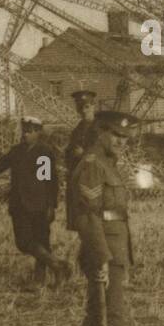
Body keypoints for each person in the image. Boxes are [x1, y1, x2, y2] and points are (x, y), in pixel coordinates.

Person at [68, 109, 138, 326]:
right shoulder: (93, 165)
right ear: (102, 132)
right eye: (117, 135)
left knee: (104, 316)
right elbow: (87, 217)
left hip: (116, 248)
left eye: (126, 138)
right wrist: (102, 258)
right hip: (105, 252)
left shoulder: (109, 164)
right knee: (109, 318)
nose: (123, 142)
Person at [0, 116, 68, 285]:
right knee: (23, 243)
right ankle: (57, 264)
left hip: (39, 206)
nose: (25, 134)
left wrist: (50, 206)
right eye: (24, 130)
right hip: (19, 205)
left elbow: (49, 181)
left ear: (38, 133)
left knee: (42, 242)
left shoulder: (43, 152)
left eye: (30, 131)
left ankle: (40, 282)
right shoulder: (16, 151)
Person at [63, 88, 98, 234]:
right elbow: (71, 151)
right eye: (80, 107)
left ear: (93, 106)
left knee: (94, 220)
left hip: (95, 178)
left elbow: (106, 152)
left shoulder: (101, 128)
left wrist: (84, 154)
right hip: (78, 177)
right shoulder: (77, 129)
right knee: (81, 221)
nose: (83, 111)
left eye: (86, 107)